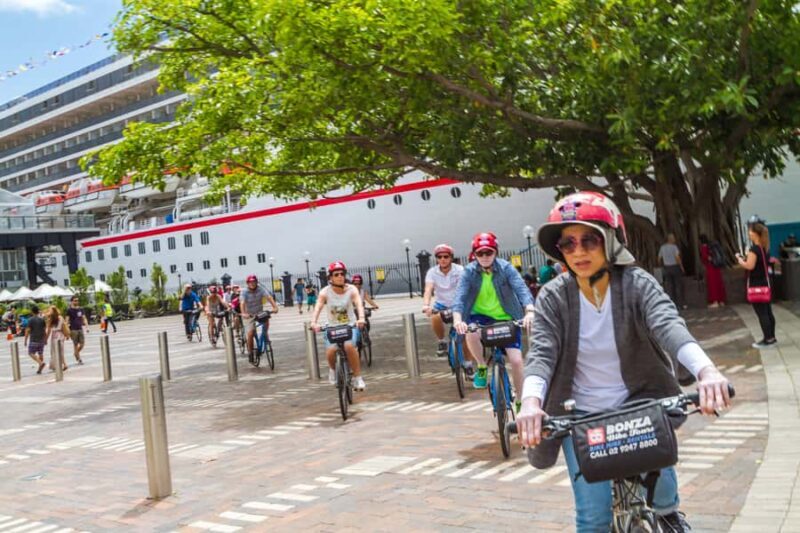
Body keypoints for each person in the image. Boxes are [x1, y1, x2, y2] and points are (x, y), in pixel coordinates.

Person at [516, 191, 731, 532]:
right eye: (568, 244)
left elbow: (668, 326)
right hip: (579, 416)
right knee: (593, 518)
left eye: (589, 239)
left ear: (612, 241)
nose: (579, 251)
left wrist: (707, 371)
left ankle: (669, 514)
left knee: (664, 504)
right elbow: (541, 353)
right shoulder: (554, 297)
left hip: (638, 407)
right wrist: (531, 403)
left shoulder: (636, 284)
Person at [453, 233, 535, 397]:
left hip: (507, 317)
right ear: (474, 255)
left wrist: (530, 311)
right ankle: (482, 366)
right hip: (479, 316)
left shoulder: (506, 268)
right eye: (480, 253)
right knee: (470, 332)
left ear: (495, 252)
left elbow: (521, 289)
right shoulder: (469, 272)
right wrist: (457, 319)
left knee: (517, 361)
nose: (484, 257)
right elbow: (459, 297)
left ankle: (521, 401)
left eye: (488, 252)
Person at [310, 261, 367, 390]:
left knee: (349, 346)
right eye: (336, 274)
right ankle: (332, 370)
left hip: (350, 325)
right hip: (332, 327)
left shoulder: (352, 289)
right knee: (331, 351)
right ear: (330, 277)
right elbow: (318, 307)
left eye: (342, 274)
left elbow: (358, 304)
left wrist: (361, 319)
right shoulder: (325, 292)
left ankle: (358, 378)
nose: (340, 276)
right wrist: (314, 322)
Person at [422, 244, 469, 359]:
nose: (442, 259)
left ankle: (468, 365)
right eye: (439, 257)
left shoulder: (459, 270)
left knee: (464, 335)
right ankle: (442, 341)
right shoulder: (432, 272)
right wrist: (426, 305)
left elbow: (463, 288)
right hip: (441, 304)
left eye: (446, 256)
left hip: (458, 304)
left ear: (451, 257)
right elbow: (428, 289)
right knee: (435, 317)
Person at [737, 222, 777, 348]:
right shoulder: (764, 248)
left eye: (750, 231)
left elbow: (750, 266)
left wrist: (740, 260)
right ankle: (772, 337)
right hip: (765, 284)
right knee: (768, 311)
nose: (749, 233)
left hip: (756, 285)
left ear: (755, 233)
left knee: (762, 313)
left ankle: (767, 339)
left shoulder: (754, 249)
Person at [241, 274, 279, 359]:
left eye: (254, 282)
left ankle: (265, 336)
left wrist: (275, 307)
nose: (252, 284)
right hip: (249, 315)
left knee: (266, 321)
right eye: (250, 282)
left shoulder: (260, 289)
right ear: (247, 283)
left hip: (259, 312)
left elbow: (269, 297)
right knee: (250, 333)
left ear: (256, 282)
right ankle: (250, 352)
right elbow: (242, 303)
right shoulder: (244, 291)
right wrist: (243, 313)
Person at [659, 233, 686, 309]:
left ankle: (671, 304)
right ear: (670, 239)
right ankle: (680, 305)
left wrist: (663, 265)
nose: (675, 239)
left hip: (666, 268)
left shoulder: (662, 247)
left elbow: (659, 258)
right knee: (678, 285)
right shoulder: (674, 247)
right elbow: (677, 257)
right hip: (675, 267)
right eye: (673, 238)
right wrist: (681, 266)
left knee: (669, 287)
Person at [699, 235, 727, 308]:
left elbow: (705, 257)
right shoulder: (711, 246)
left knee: (712, 285)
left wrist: (709, 260)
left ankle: (715, 301)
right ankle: (721, 301)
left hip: (710, 268)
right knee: (718, 283)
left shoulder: (703, 247)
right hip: (716, 267)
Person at [24, 304, 47, 374]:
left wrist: (25, 340)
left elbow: (27, 330)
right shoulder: (42, 319)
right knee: (41, 354)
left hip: (34, 339)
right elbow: (44, 330)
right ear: (38, 311)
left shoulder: (30, 320)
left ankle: (40, 363)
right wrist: (45, 339)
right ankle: (40, 369)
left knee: (31, 353)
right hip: (41, 340)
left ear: (32, 312)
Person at [44, 305, 68, 372]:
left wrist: (46, 339)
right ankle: (63, 364)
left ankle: (59, 365)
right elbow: (64, 326)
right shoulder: (60, 317)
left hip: (54, 335)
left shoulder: (50, 319)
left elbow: (48, 331)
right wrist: (66, 335)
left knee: (54, 351)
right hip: (61, 334)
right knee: (61, 350)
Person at [66, 296, 88, 365]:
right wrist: (67, 331)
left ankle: (76, 353)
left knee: (82, 344)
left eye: (77, 300)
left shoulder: (81, 309)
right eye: (75, 300)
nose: (76, 302)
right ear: (72, 301)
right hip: (73, 329)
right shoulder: (69, 310)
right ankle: (79, 359)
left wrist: (87, 327)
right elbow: (66, 320)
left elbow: (84, 318)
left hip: (80, 328)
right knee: (75, 345)